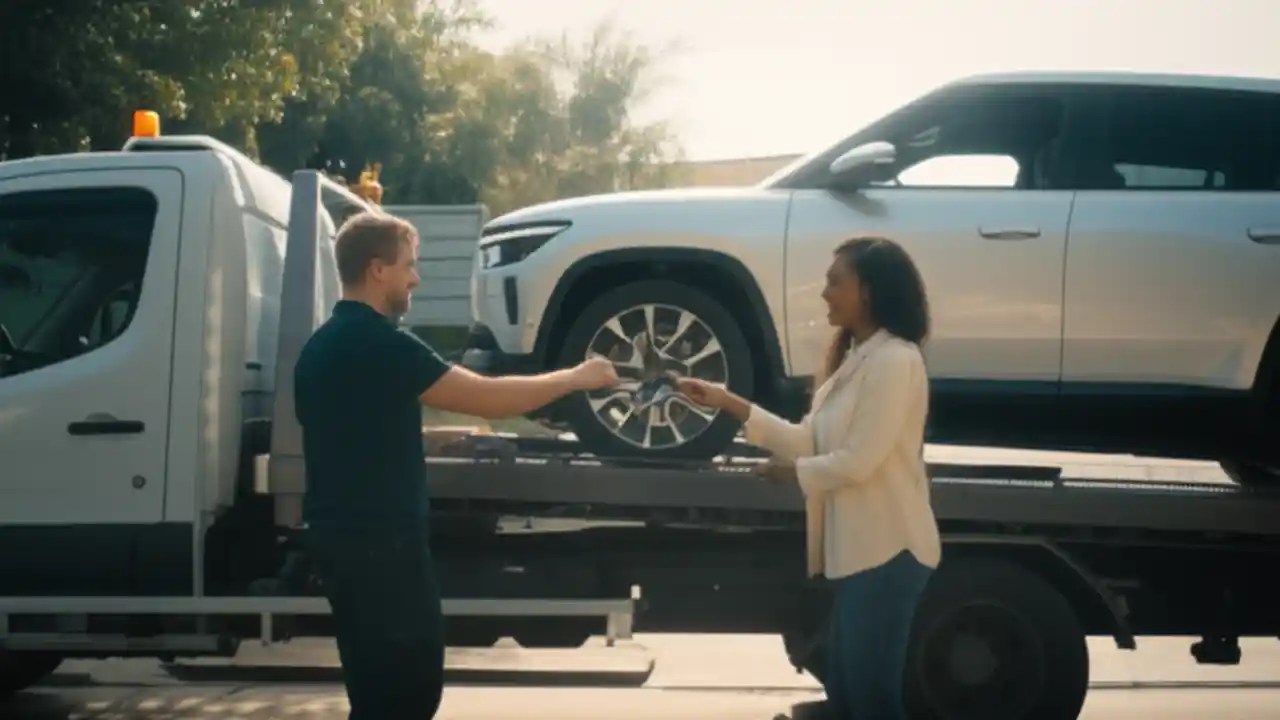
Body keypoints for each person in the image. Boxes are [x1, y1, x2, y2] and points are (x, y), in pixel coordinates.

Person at [293, 211, 618, 720]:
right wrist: (576, 376)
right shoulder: (384, 344)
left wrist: (432, 437)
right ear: (378, 270)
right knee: (409, 689)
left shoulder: (318, 348)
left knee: (372, 687)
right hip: (385, 546)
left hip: (340, 543)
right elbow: (487, 397)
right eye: (409, 266)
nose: (416, 278)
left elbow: (350, 432)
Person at [678, 236, 942, 720]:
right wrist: (726, 401)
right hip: (861, 556)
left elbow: (858, 461)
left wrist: (791, 475)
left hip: (889, 552)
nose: (825, 293)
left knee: (871, 702)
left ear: (869, 290)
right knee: (850, 697)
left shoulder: (895, 361)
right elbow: (810, 441)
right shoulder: (857, 361)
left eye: (835, 282)